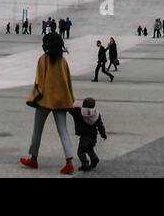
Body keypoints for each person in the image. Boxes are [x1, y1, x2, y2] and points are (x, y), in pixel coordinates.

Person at [20, 32, 76, 174]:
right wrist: (69, 99)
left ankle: (33, 159)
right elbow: (68, 82)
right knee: (63, 130)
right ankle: (69, 162)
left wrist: (36, 96)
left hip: (44, 101)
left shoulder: (43, 59)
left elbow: (39, 82)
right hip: (61, 102)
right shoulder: (63, 61)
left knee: (37, 131)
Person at [72, 96, 108, 171]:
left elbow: (70, 109)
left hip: (84, 137)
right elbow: (100, 126)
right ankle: (94, 159)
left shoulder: (78, 111)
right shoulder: (96, 115)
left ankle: (85, 164)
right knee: (89, 148)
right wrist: (103, 135)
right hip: (93, 137)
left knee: (80, 151)